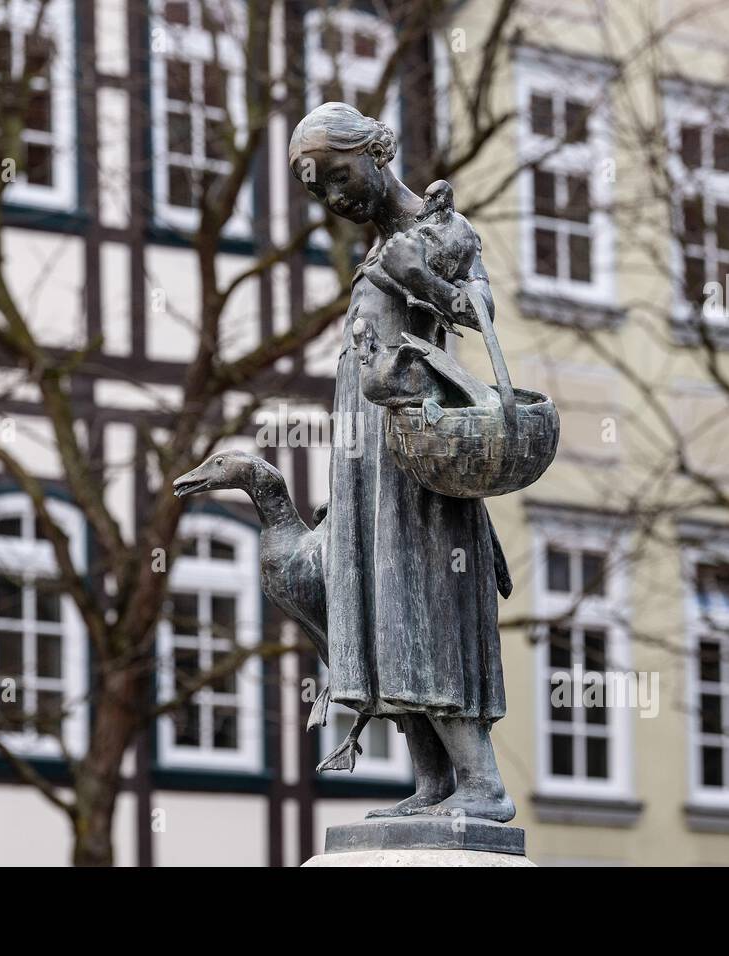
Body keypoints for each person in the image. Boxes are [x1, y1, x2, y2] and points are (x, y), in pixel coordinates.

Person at [288, 102, 514, 822]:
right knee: (380, 612)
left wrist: (430, 282)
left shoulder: (437, 229)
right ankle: (433, 782)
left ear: (375, 151)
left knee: (424, 604)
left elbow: (481, 311)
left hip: (416, 457)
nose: (334, 197)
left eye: (337, 176)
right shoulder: (381, 246)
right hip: (366, 464)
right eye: (319, 191)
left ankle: (482, 784)